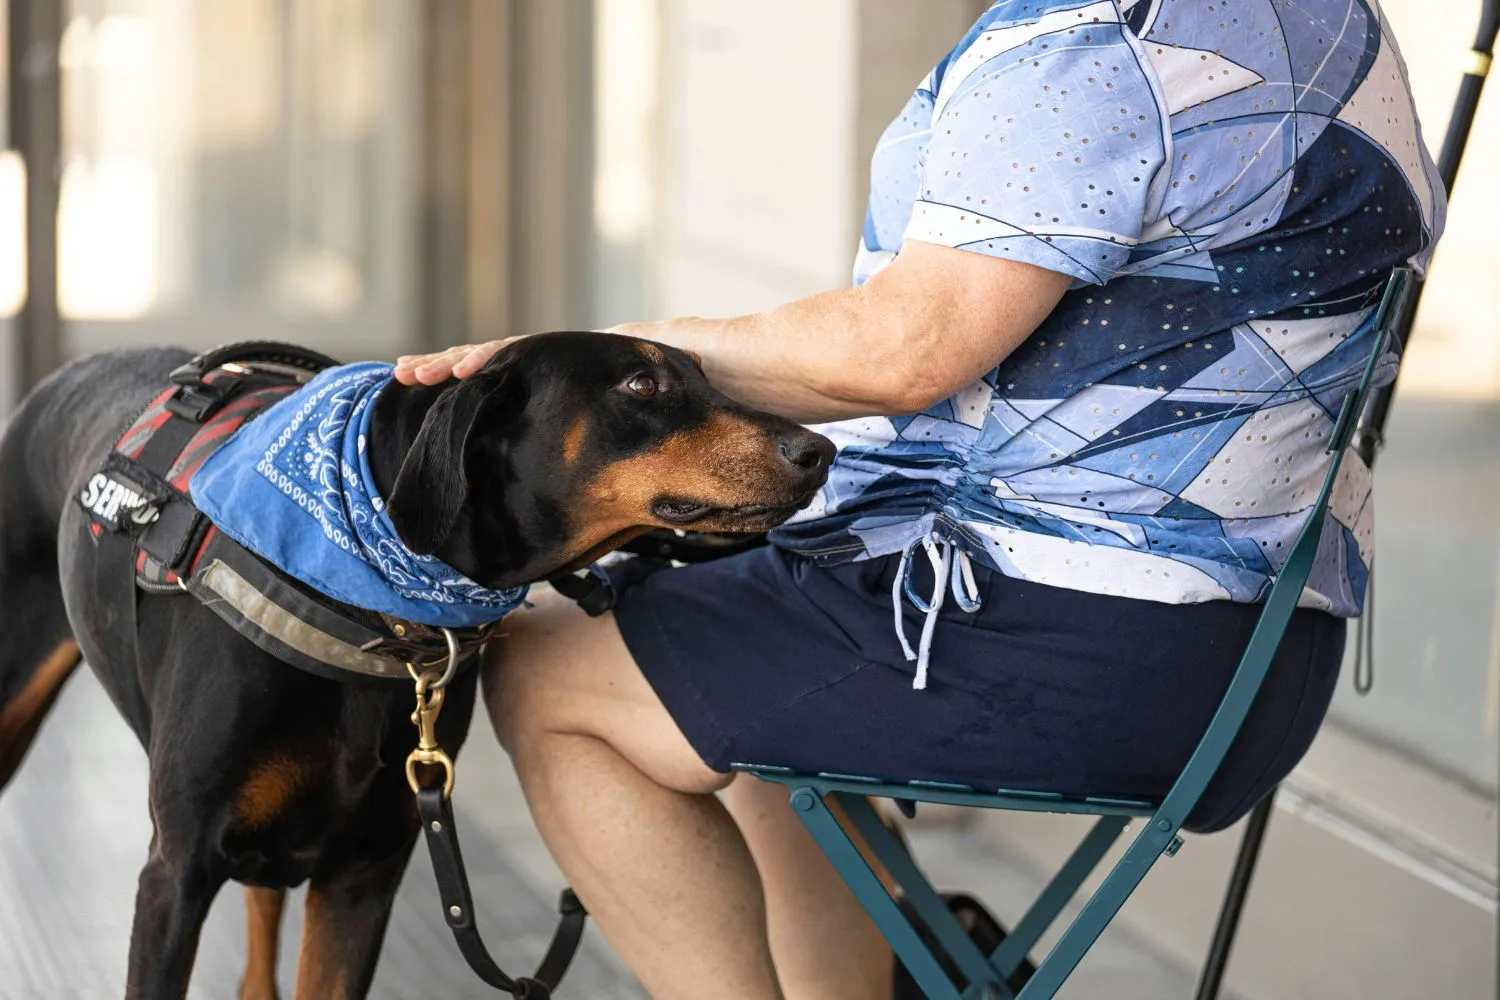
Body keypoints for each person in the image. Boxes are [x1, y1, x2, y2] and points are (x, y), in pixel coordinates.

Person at [396, 2, 1444, 997]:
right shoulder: (1326, 20)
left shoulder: (1090, 46)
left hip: (1072, 641)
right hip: (1255, 658)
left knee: (549, 674)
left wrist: (628, 358)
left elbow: (908, 348)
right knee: (716, 668)